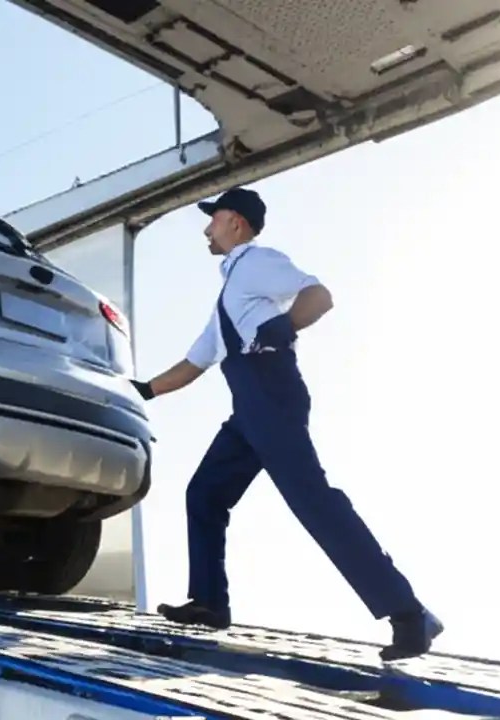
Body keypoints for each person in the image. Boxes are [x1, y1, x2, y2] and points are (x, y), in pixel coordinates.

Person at [129, 187, 442, 661]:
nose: (206, 229)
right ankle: (211, 602)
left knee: (314, 503)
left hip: (272, 400)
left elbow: (319, 296)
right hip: (249, 412)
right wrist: (144, 390)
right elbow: (195, 363)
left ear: (235, 221)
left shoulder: (256, 262)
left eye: (212, 219)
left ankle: (410, 614)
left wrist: (286, 325)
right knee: (205, 494)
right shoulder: (229, 293)